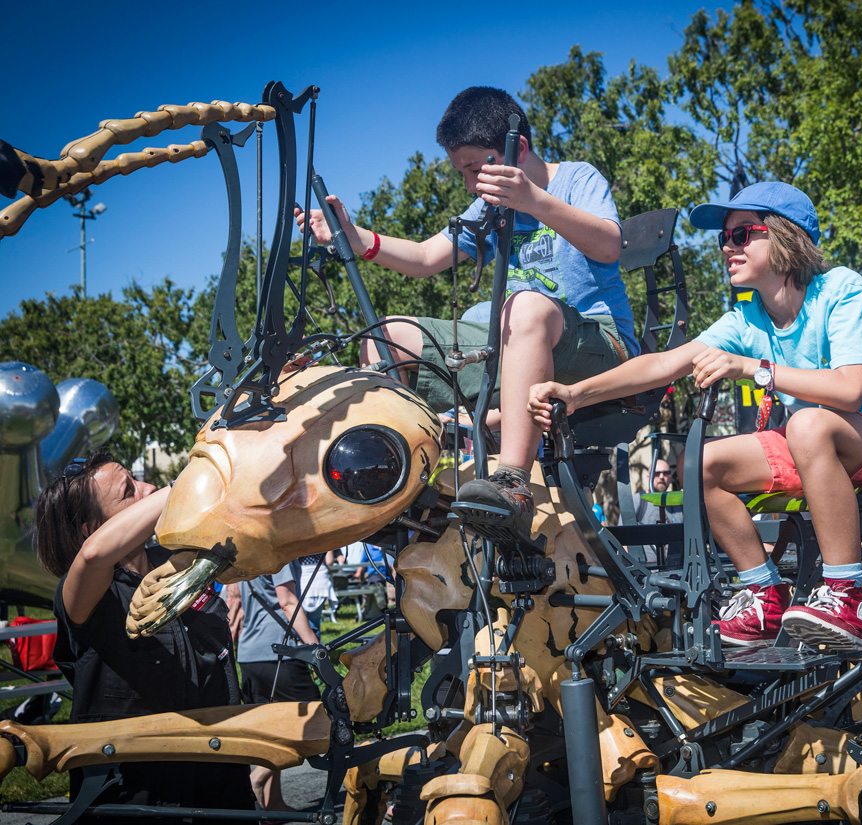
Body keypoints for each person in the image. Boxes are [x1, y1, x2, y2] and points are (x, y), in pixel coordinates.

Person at [530, 182, 862, 656]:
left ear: (784, 236)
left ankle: (847, 598)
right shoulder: (747, 318)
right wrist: (574, 393)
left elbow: (850, 391)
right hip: (823, 447)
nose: (727, 247)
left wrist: (753, 369)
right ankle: (763, 596)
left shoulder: (839, 287)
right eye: (724, 238)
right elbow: (663, 364)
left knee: (807, 425)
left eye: (742, 234)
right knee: (702, 462)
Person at [297, 86, 637, 537]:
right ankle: (399, 482)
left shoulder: (576, 180)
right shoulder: (487, 207)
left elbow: (609, 244)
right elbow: (423, 258)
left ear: (518, 149)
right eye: (462, 172)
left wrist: (533, 201)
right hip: (514, 347)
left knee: (524, 307)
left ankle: (512, 482)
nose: (470, 183)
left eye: (476, 169)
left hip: (597, 346)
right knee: (388, 334)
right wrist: (355, 237)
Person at [35, 452, 254, 822]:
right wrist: (186, 485)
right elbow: (93, 557)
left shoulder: (181, 568)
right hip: (133, 800)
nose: (148, 489)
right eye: (129, 491)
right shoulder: (86, 594)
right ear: (93, 528)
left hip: (222, 789)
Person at [231, 561, 321, 814]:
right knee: (315, 722)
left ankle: (274, 805)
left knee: (272, 732)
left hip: (250, 654)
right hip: (279, 653)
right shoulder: (279, 555)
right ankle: (257, 778)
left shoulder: (250, 554)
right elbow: (288, 602)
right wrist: (314, 648)